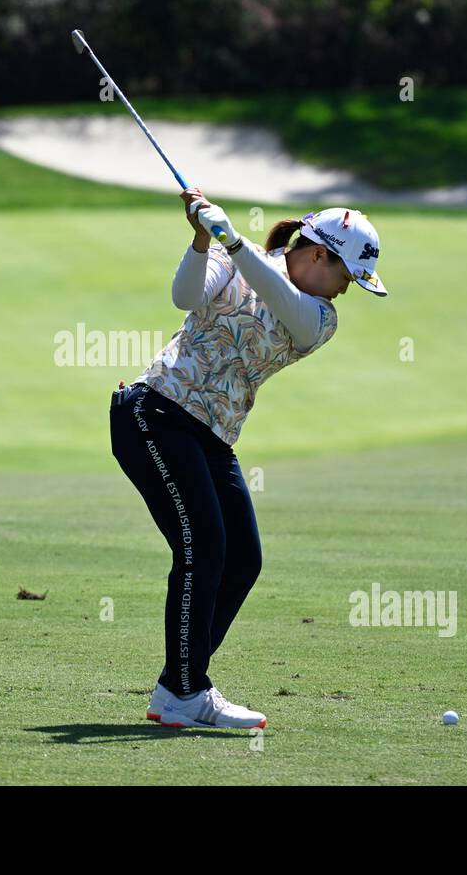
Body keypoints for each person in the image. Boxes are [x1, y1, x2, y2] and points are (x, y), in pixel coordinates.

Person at [109, 187, 387, 729]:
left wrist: (232, 241)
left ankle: (177, 687)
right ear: (317, 254)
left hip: (211, 436)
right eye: (345, 276)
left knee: (243, 559)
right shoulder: (229, 258)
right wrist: (200, 240)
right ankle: (188, 691)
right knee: (204, 547)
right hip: (155, 414)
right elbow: (184, 297)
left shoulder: (319, 317)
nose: (345, 290)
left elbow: (283, 302)